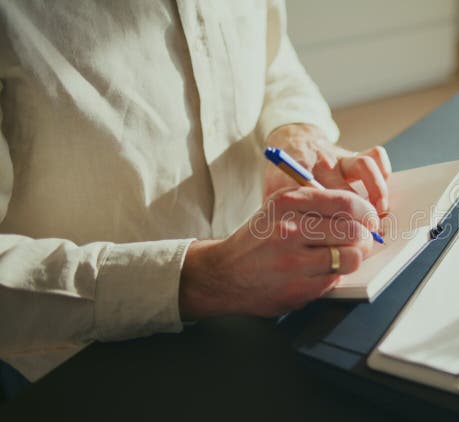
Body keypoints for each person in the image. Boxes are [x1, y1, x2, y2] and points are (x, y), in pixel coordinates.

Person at [0, 0, 391, 390]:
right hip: (76, 365)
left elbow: (273, 60)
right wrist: (205, 277)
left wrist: (296, 131)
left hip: (263, 314)